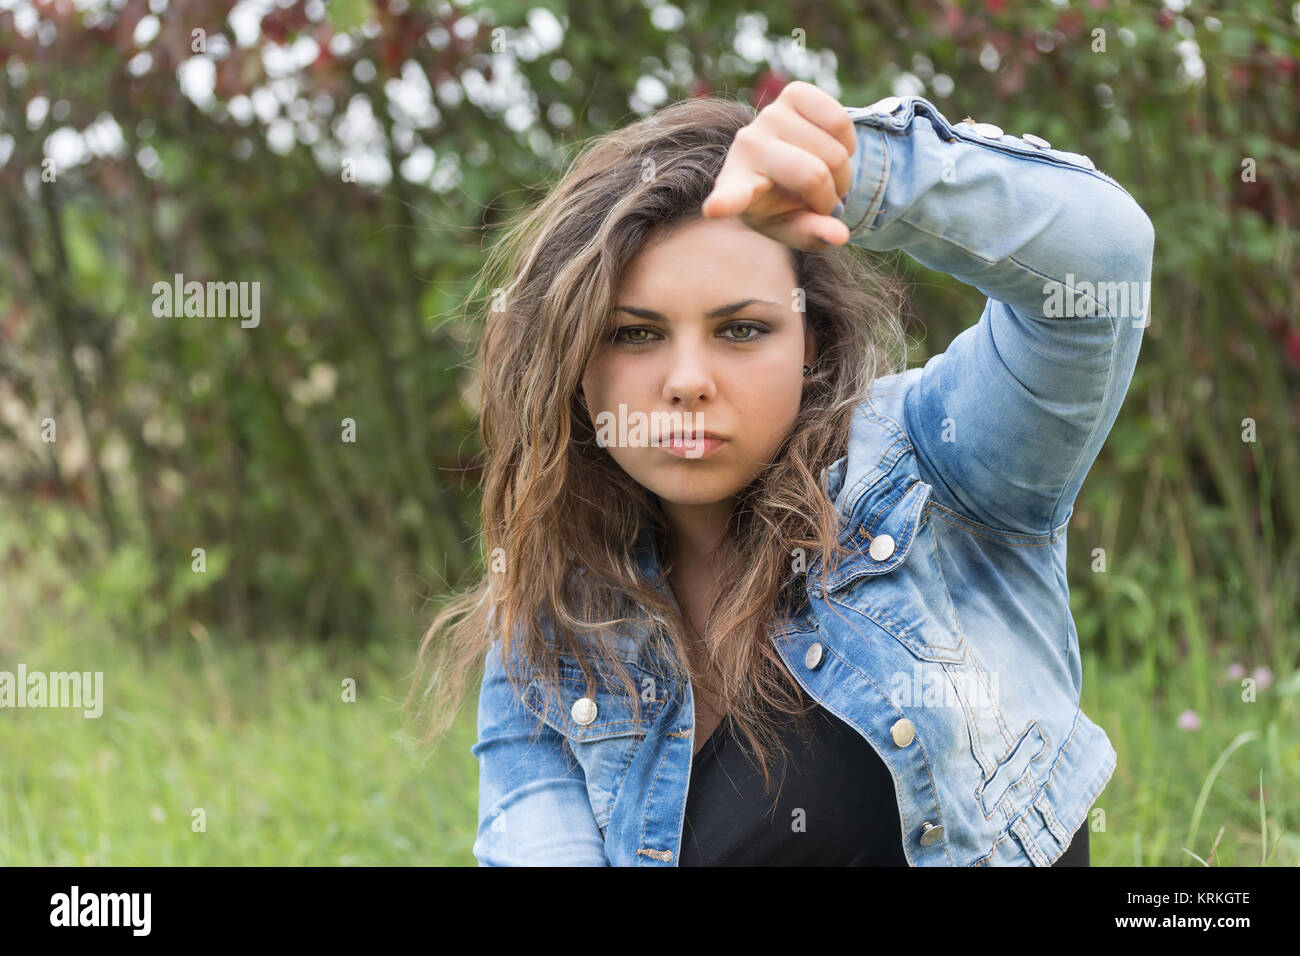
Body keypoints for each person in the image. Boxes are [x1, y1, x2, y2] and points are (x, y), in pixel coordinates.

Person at [407, 81, 1154, 866]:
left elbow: (1101, 262)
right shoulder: (552, 627)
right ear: (575, 368)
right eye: (634, 335)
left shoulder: (941, 469)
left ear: (812, 342)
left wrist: (867, 172)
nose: (687, 381)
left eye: (741, 329)